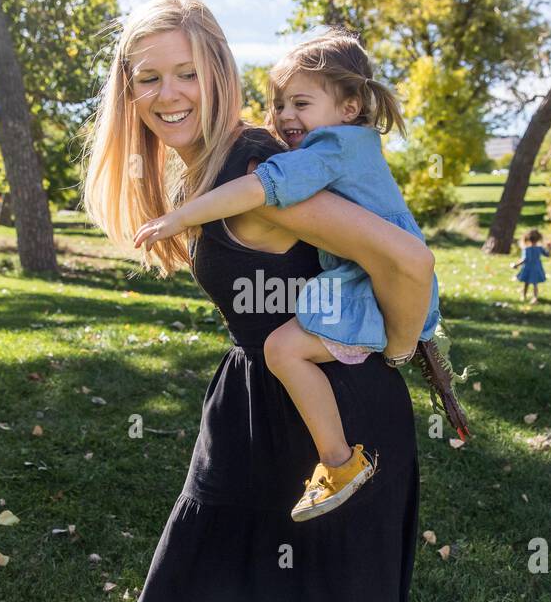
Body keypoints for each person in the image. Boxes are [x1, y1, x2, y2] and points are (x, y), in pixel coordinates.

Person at [78, 0, 432, 602]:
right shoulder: (209, 170)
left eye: (185, 74)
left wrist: (396, 348)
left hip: (332, 421)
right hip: (253, 412)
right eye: (148, 79)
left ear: (218, 75)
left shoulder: (255, 165)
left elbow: (405, 257)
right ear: (129, 91)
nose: (167, 95)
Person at [132, 29, 455, 522]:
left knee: (284, 348)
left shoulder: (322, 152)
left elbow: (262, 189)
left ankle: (339, 461)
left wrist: (400, 346)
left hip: (352, 343)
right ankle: (338, 460)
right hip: (290, 383)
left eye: (300, 102)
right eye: (279, 104)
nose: (284, 118)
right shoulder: (338, 146)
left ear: (349, 107)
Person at [512, 228, 551, 302]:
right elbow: (547, 254)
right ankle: (535, 297)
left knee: (526, 284)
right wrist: (549, 247)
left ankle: (524, 296)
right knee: (535, 284)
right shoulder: (539, 248)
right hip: (537, 268)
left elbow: (525, 259)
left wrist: (516, 265)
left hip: (528, 268)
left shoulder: (527, 249)